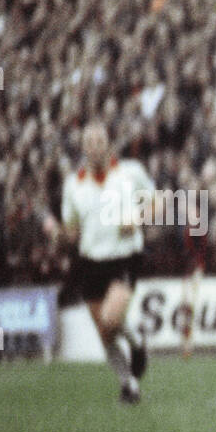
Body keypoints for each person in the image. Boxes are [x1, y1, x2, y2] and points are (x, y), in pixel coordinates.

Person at [56, 122, 152, 403]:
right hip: (90, 261)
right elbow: (72, 230)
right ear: (83, 147)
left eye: (100, 141)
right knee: (105, 333)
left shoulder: (130, 173)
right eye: (90, 142)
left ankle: (137, 344)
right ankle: (128, 386)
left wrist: (137, 218)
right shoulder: (73, 184)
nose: (95, 147)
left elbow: (157, 202)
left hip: (124, 257)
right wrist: (57, 234)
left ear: (108, 145)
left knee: (112, 318)